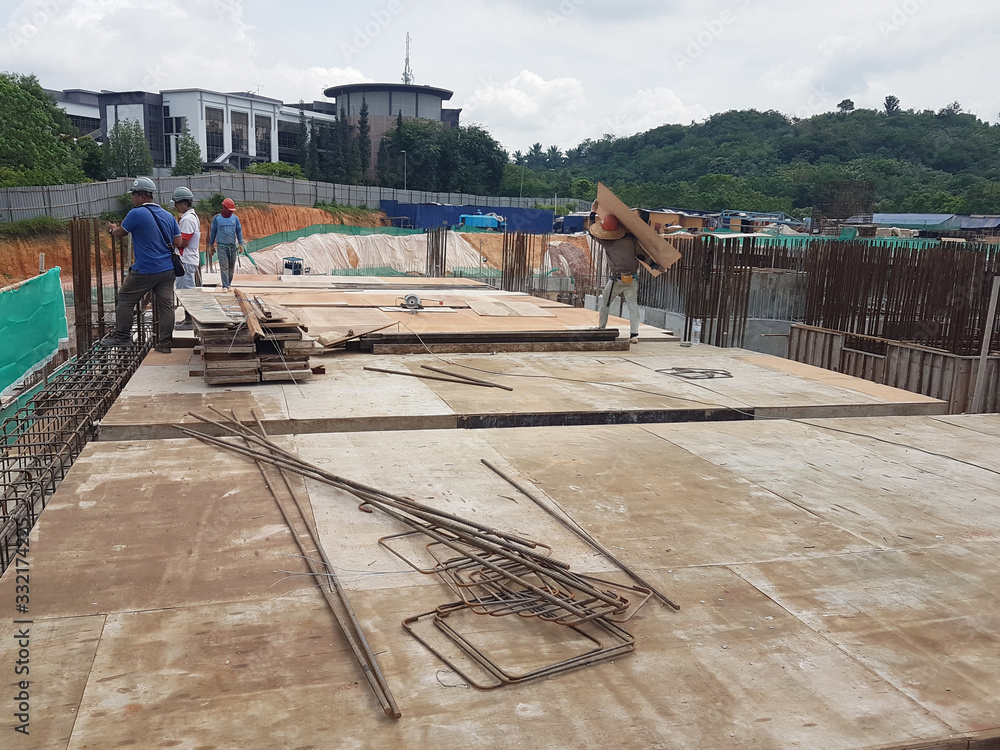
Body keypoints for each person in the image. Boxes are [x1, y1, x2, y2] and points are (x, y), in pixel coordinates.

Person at [101, 176, 182, 354]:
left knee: (125, 298)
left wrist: (111, 229)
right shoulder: (168, 216)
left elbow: (120, 233)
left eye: (134, 195)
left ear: (142, 196)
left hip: (146, 269)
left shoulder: (136, 213)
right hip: (167, 269)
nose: (132, 199)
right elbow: (178, 241)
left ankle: (122, 336)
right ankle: (165, 344)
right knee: (166, 306)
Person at [589, 204, 662, 344]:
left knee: (605, 303)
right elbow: (642, 256)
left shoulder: (607, 242)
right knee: (633, 306)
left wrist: (593, 213)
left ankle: (601, 328)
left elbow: (591, 233)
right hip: (632, 279)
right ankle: (634, 334)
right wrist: (656, 265)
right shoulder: (630, 240)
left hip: (616, 280)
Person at [171, 186, 201, 329]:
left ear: (184, 203)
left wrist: (171, 242)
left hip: (185, 260)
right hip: (188, 259)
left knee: (187, 293)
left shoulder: (187, 219)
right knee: (186, 292)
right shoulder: (190, 217)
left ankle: (190, 321)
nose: (175, 206)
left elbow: (184, 242)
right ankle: (188, 319)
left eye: (176, 203)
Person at [208, 197, 244, 290]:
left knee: (231, 268)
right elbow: (213, 232)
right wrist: (211, 245)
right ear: (224, 208)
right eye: (229, 210)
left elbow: (239, 231)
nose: (231, 212)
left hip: (232, 247)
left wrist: (240, 243)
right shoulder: (217, 219)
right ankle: (225, 286)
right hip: (222, 247)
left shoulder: (235, 219)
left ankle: (229, 284)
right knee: (224, 267)